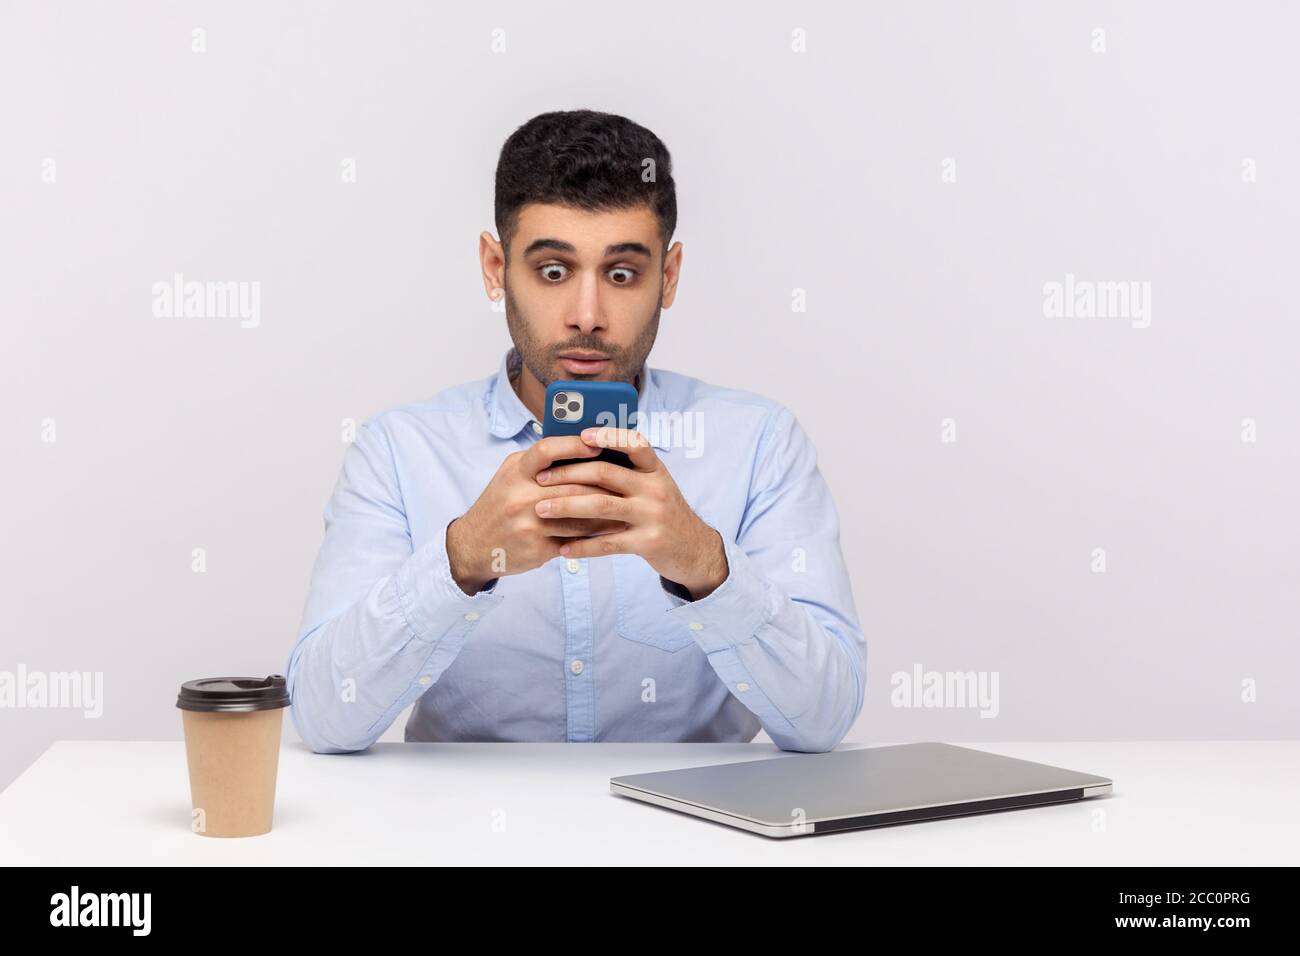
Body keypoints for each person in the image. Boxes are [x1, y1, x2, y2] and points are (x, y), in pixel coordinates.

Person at [286, 109, 865, 753]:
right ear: (494, 266)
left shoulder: (759, 444)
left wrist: (703, 563)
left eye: (622, 274)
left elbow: (824, 719)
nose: (587, 317)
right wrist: (462, 559)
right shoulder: (398, 451)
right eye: (553, 271)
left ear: (667, 278)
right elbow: (322, 717)